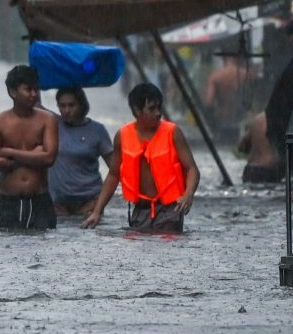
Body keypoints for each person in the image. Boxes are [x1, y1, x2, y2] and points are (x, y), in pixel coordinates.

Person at [82, 82, 199, 233]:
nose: (158, 113)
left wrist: (188, 194)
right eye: (152, 108)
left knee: (168, 243)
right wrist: (97, 211)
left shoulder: (173, 133)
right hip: (140, 211)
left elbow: (192, 169)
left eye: (159, 108)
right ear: (137, 110)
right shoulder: (122, 136)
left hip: (170, 210)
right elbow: (113, 175)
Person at [0, 64, 59, 230]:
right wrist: (35, 155)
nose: (34, 94)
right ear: (13, 92)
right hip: (8, 202)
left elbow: (49, 158)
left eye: (36, 89)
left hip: (39, 200)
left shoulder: (48, 120)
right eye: (28, 89)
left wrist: (8, 152)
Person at [48, 86, 113, 217]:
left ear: (81, 105)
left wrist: (100, 204)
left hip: (89, 202)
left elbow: (116, 169)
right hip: (58, 204)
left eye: (71, 105)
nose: (66, 110)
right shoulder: (52, 124)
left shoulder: (97, 130)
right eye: (62, 106)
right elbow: (32, 103)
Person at [236, 109, 283, 185]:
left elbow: (241, 147)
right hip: (267, 170)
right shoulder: (282, 119)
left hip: (250, 170)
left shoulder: (258, 119)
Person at [204, 56, 250, 129]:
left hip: (222, 118)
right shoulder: (246, 75)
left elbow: (209, 102)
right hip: (239, 119)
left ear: (224, 59)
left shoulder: (215, 77)